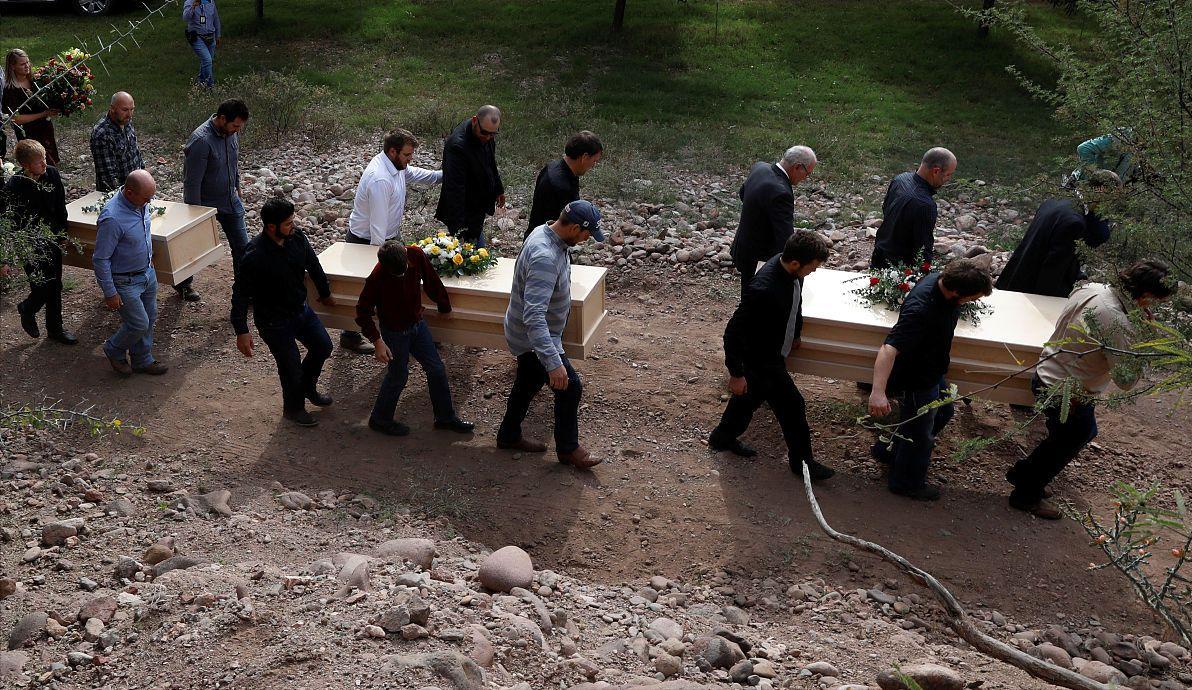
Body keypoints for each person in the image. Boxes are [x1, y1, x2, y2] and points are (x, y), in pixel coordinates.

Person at [1006, 259, 1173, 519]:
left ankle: (1024, 474)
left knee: (1063, 436)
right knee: (1073, 436)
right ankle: (1025, 494)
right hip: (1068, 393)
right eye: (1156, 301)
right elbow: (1126, 379)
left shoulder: (1093, 288)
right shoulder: (1115, 320)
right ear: (1146, 295)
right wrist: (1144, 336)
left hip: (1048, 370)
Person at [709, 231, 835, 480]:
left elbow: (796, 301)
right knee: (793, 406)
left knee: (748, 399)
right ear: (796, 263)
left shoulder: (790, 270)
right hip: (762, 360)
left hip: (769, 355)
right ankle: (802, 464)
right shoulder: (763, 290)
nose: (813, 272)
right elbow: (733, 332)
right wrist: (736, 373)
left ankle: (721, 438)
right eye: (812, 267)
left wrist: (795, 333)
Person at [867, 259, 993, 501]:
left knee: (943, 412)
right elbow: (888, 349)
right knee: (920, 434)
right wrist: (878, 393)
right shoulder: (921, 311)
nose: (972, 303)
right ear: (956, 293)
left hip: (933, 370)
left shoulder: (942, 279)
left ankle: (889, 450)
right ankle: (906, 482)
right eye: (971, 299)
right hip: (917, 378)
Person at [497, 200, 603, 469]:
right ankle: (568, 450)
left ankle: (508, 435)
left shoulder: (545, 232)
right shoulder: (545, 257)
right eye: (587, 234)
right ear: (575, 228)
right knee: (569, 387)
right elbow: (534, 317)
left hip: (529, 333)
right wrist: (553, 362)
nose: (587, 239)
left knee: (528, 382)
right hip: (532, 338)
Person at [231, 198, 336, 428]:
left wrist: (325, 293)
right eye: (288, 223)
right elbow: (240, 294)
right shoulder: (254, 255)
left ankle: (307, 387)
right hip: (273, 322)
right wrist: (241, 330)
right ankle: (294, 409)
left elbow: (313, 265)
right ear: (271, 227)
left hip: (301, 311)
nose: (293, 226)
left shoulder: (297, 239)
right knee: (290, 366)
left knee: (323, 346)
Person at [355, 240, 475, 437]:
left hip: (417, 325)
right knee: (398, 375)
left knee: (436, 369)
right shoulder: (376, 278)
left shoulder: (415, 254)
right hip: (394, 333)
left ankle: (445, 418)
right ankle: (380, 419)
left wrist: (444, 305)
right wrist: (377, 341)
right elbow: (362, 312)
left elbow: (431, 280)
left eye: (404, 271)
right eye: (396, 275)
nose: (401, 276)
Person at [340, 128, 443, 355]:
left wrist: (441, 175)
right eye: (407, 155)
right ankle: (352, 335)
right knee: (363, 287)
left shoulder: (395, 166)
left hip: (389, 236)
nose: (410, 160)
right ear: (393, 151)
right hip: (368, 241)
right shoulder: (380, 179)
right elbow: (377, 228)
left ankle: (409, 329)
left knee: (400, 283)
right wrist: (383, 260)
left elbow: (414, 174)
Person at [995, 171, 1121, 297]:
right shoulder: (1075, 223)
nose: (1113, 204)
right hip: (1031, 292)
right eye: (1114, 198)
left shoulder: (1055, 200)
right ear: (1102, 190)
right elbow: (1053, 270)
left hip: (1015, 276)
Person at [93, 170, 169, 377]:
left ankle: (142, 359)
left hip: (146, 273)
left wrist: (148, 257)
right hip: (125, 281)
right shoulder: (112, 218)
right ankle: (113, 349)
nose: (149, 202)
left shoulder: (140, 203)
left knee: (149, 317)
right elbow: (100, 258)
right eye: (146, 198)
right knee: (138, 323)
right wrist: (110, 292)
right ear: (129, 193)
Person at [180, 98, 250, 302]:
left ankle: (244, 291)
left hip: (230, 200)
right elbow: (192, 182)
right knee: (192, 248)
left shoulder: (232, 133)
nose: (237, 130)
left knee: (243, 248)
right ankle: (183, 284)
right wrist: (196, 215)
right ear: (222, 119)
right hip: (205, 204)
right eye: (235, 126)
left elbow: (234, 161)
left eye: (240, 127)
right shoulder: (201, 141)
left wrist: (237, 185)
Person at [6, 140, 75, 345]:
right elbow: (11, 221)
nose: (45, 164)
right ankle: (28, 308)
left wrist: (62, 234)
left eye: (44, 158)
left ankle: (55, 328)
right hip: (29, 242)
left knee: (55, 284)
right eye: (39, 162)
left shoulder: (51, 174)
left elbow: (60, 206)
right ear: (25, 165)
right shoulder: (15, 186)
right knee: (41, 285)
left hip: (51, 237)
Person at [729, 145, 817, 294]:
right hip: (760, 258)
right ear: (797, 167)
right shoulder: (781, 192)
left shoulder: (760, 168)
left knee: (747, 294)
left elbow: (743, 193)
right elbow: (785, 238)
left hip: (743, 246)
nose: (805, 178)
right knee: (756, 301)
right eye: (807, 173)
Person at [870, 147, 957, 269]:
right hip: (900, 269)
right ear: (936, 171)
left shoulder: (900, 179)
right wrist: (925, 272)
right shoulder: (925, 205)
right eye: (948, 174)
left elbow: (886, 210)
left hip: (879, 255)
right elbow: (922, 248)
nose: (948, 179)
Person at [435, 105, 504, 248]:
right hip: (464, 211)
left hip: (478, 206)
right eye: (485, 133)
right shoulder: (457, 146)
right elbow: (454, 189)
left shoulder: (485, 133)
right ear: (474, 121)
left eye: (493, 134)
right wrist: (459, 230)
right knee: (472, 252)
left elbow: (490, 162)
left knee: (477, 244)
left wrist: (498, 188)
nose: (488, 138)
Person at [525, 131, 603, 237]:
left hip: (536, 236)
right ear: (584, 157)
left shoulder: (553, 167)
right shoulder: (561, 186)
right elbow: (562, 228)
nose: (594, 165)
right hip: (544, 241)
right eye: (594, 161)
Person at [3, 49, 60, 168]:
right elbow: (16, 119)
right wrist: (43, 114)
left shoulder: (35, 81)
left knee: (50, 163)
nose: (27, 66)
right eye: (22, 64)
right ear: (13, 66)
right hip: (28, 133)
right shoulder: (10, 90)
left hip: (45, 128)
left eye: (27, 62)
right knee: (36, 164)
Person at [90, 91, 145, 193]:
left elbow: (135, 151)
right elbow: (108, 177)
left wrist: (143, 176)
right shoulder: (103, 133)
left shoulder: (126, 121)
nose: (129, 114)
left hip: (136, 186)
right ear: (112, 108)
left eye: (132, 109)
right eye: (125, 110)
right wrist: (125, 195)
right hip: (118, 193)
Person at [183, 0, 221, 88]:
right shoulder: (189, 2)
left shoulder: (210, 2)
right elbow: (185, 18)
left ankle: (201, 82)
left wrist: (218, 34)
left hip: (211, 36)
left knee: (206, 61)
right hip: (197, 37)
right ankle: (210, 87)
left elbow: (216, 18)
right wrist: (193, 7)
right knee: (207, 60)